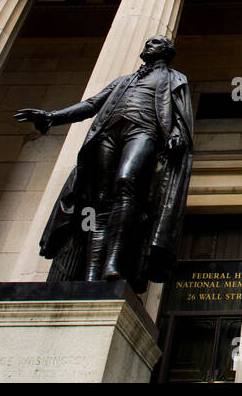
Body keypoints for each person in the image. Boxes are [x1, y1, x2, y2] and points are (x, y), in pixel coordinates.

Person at [15, 35, 194, 290]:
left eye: (154, 42)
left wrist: (176, 134)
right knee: (100, 202)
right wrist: (52, 116)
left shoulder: (175, 79)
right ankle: (92, 273)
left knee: (126, 182)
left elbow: (180, 115)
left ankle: (113, 262)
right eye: (147, 42)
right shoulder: (124, 81)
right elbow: (91, 105)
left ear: (166, 51)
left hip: (143, 132)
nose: (148, 45)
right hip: (108, 135)